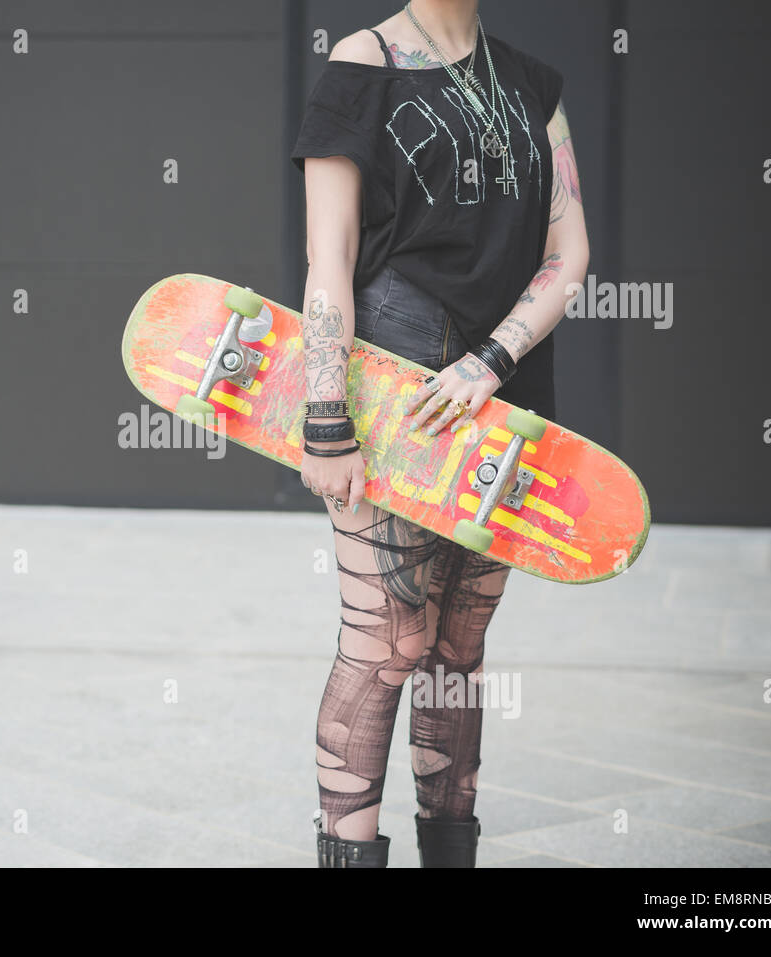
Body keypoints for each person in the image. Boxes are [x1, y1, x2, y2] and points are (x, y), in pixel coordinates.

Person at [290, 0, 588, 867]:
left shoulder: (533, 85)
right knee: (388, 642)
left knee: (459, 650)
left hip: (507, 402)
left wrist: (489, 363)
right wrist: (325, 418)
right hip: (392, 399)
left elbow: (568, 254)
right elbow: (329, 258)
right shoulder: (362, 61)